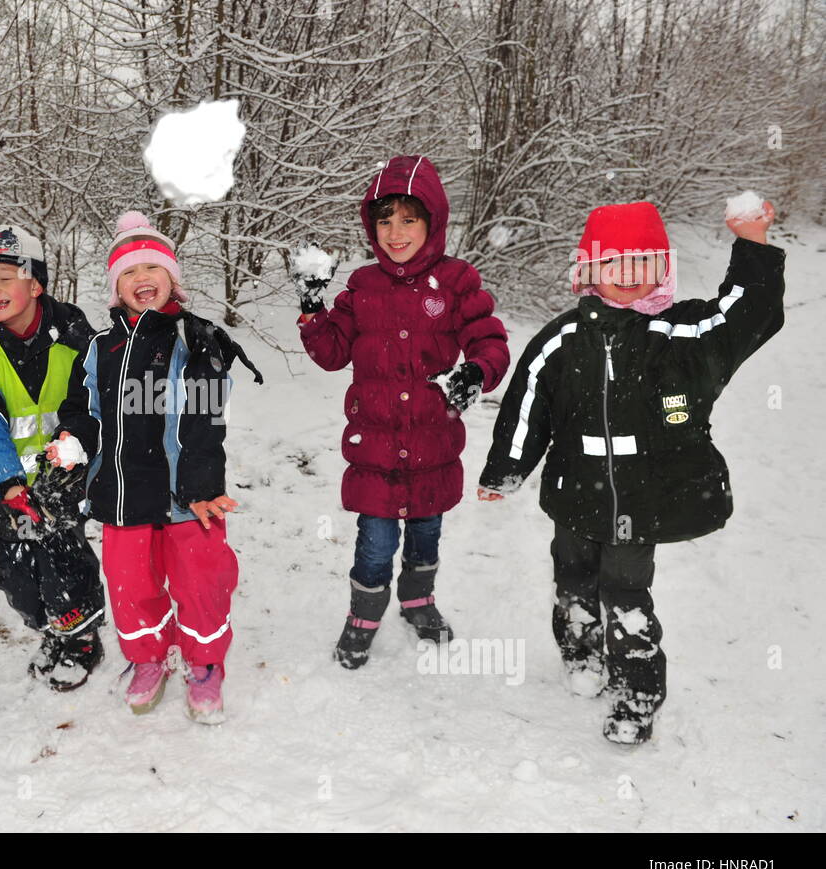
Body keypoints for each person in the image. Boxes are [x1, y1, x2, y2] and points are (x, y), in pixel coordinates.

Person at [477, 199, 784, 744]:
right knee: (572, 580)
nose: (625, 275)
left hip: (640, 505)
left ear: (660, 267)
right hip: (574, 493)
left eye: (640, 262)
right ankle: (581, 654)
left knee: (625, 595)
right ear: (589, 269)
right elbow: (528, 405)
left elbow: (748, 314)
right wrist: (506, 469)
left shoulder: (683, 334)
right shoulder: (561, 339)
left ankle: (636, 695)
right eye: (611, 261)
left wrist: (753, 243)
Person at [48, 211, 262, 722]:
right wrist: (74, 440)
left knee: (202, 583)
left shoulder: (197, 337)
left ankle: (205, 664)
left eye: (153, 268)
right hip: (123, 495)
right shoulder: (98, 348)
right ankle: (148, 658)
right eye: (129, 271)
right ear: (115, 288)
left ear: (172, 279)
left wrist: (201, 483)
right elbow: (85, 411)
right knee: (131, 586)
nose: (142, 279)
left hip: (191, 497)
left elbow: (208, 415)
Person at [296, 156, 510, 667]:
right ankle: (363, 617)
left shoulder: (456, 281)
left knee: (425, 536)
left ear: (432, 222)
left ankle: (418, 601)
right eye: (384, 220)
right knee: (374, 545)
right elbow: (331, 353)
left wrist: (476, 372)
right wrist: (312, 309)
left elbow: (489, 339)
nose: (395, 232)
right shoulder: (363, 287)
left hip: (434, 446)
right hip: (374, 451)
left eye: (408, 219)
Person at [0, 224, 107, 691]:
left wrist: (71, 453)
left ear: (34, 284)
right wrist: (8, 481)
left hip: (62, 482)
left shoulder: (77, 339)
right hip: (7, 489)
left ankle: (79, 637)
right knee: (18, 580)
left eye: (5, 276)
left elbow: (93, 406)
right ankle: (47, 627)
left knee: (65, 564)